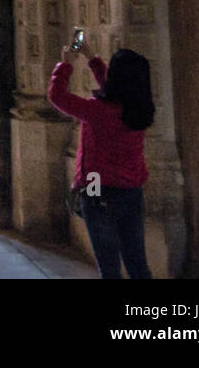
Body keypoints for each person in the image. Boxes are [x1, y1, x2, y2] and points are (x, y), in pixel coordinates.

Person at [48, 37, 154, 279]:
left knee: (109, 267)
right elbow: (119, 88)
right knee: (137, 263)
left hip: (97, 188)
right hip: (131, 189)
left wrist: (66, 65)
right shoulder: (140, 110)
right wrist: (93, 60)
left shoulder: (97, 112)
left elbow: (57, 97)